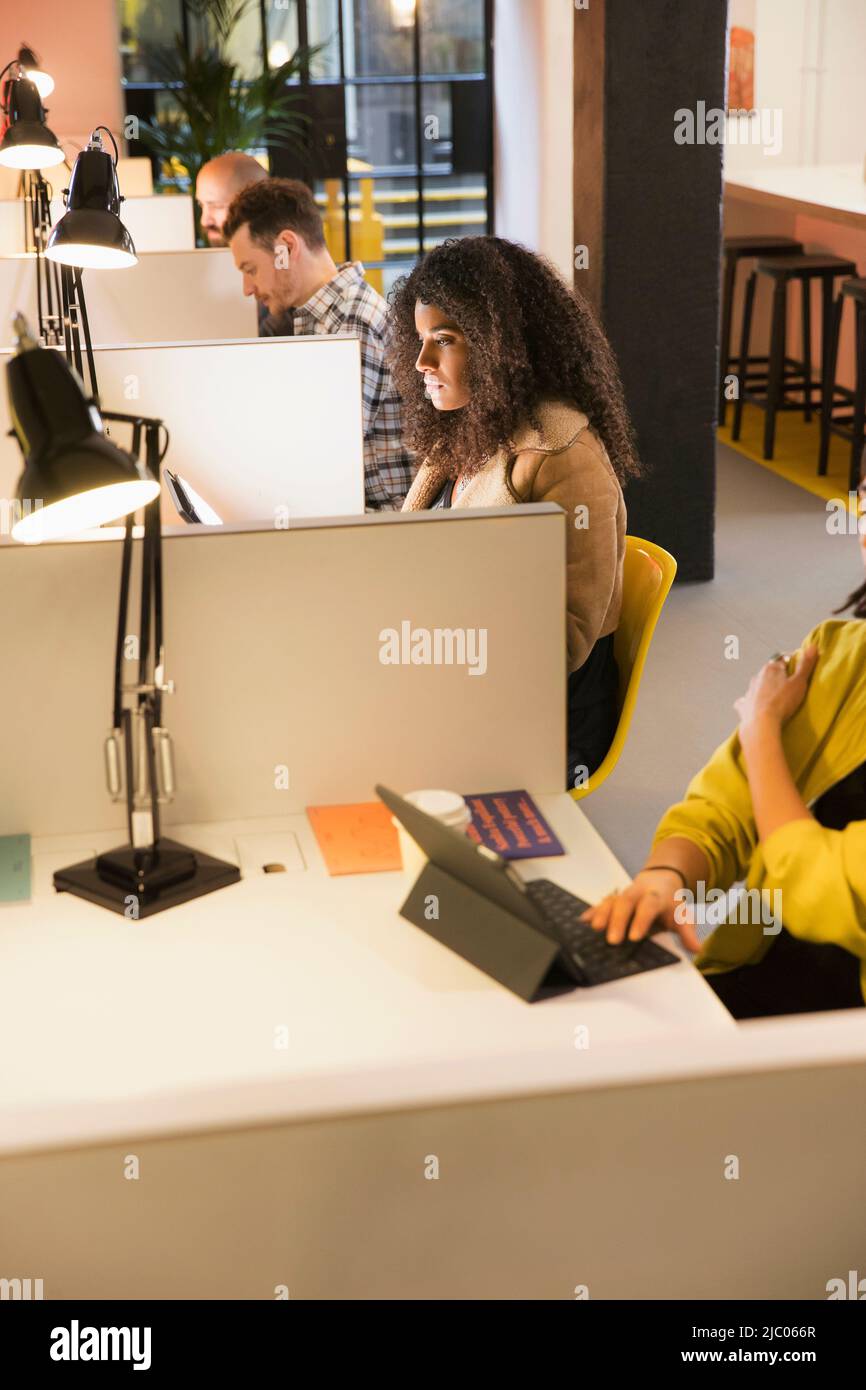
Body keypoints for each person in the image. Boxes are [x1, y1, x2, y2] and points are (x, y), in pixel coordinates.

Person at [582, 476, 866, 1019]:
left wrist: (762, 734)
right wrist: (664, 878)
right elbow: (724, 809)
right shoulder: (840, 654)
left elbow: (823, 883)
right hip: (755, 992)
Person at [387, 235, 640, 783]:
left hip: (546, 716)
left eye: (444, 340)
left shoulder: (563, 456)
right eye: (421, 339)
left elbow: (562, 642)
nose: (422, 361)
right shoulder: (467, 427)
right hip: (461, 674)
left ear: (499, 345)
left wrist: (429, 653)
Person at [224, 178, 414, 511]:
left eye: (250, 269)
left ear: (286, 247)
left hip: (383, 525)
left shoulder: (352, 321)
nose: (247, 288)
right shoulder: (320, 319)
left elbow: (322, 457)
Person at [194, 152, 290, 337]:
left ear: (254, 203)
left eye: (217, 206)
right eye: (202, 205)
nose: (205, 220)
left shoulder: (283, 269)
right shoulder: (210, 268)